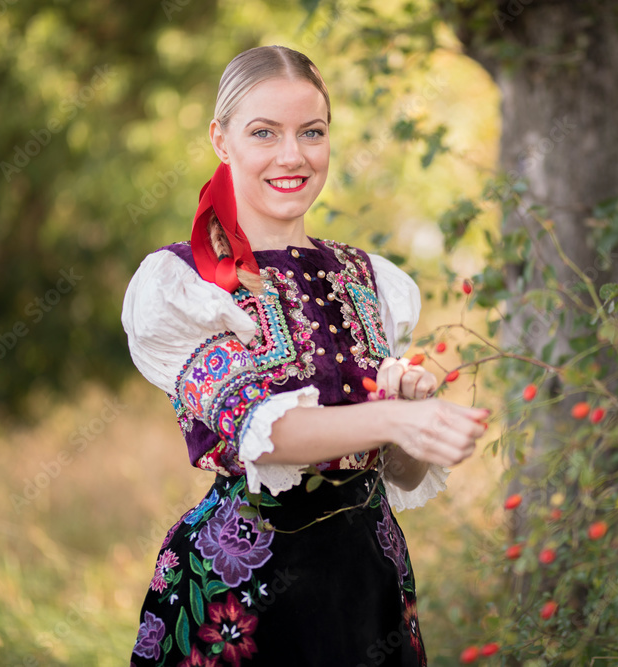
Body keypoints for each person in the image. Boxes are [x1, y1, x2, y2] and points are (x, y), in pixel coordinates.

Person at [121, 45, 489, 666]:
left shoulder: (372, 280)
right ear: (221, 139)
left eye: (311, 132)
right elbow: (264, 432)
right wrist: (395, 418)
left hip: (368, 591)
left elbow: (396, 475)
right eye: (264, 132)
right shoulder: (184, 284)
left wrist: (410, 413)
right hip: (244, 600)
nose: (292, 155)